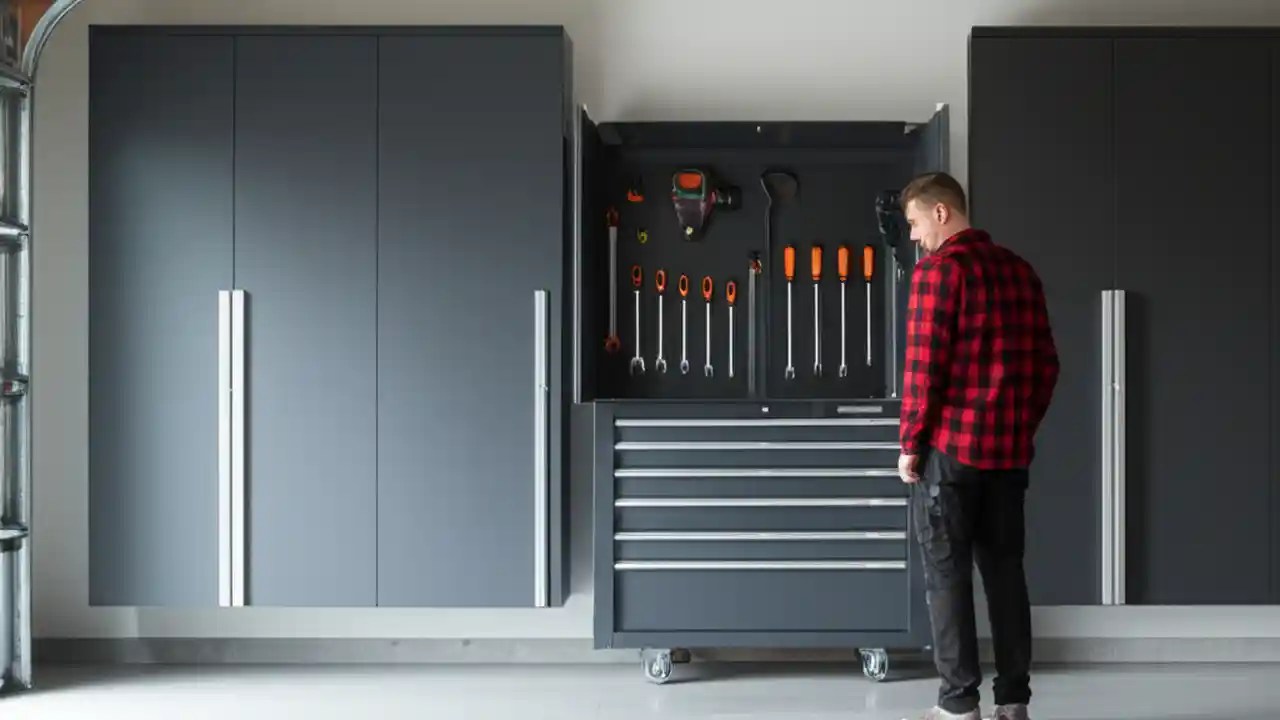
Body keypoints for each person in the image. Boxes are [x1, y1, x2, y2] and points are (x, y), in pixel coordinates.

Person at [895, 172, 1059, 720]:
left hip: (951, 455)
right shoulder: (1019, 270)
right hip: (1008, 456)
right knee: (1006, 576)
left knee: (947, 576)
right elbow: (1046, 367)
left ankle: (958, 702)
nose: (915, 236)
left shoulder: (938, 274)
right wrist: (1018, 426)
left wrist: (910, 446)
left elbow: (924, 373)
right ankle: (1013, 702)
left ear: (942, 212)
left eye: (916, 223)